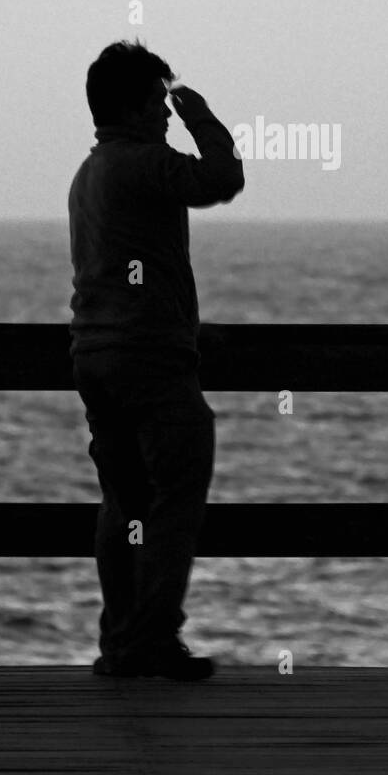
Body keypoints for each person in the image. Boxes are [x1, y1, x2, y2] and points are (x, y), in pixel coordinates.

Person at [68, 39, 244, 679]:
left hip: (96, 356)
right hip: (149, 357)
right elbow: (221, 180)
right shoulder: (142, 163)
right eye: (157, 102)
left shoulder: (89, 174)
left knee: (125, 502)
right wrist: (201, 113)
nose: (165, 114)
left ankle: (120, 643)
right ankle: (150, 641)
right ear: (133, 108)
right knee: (175, 495)